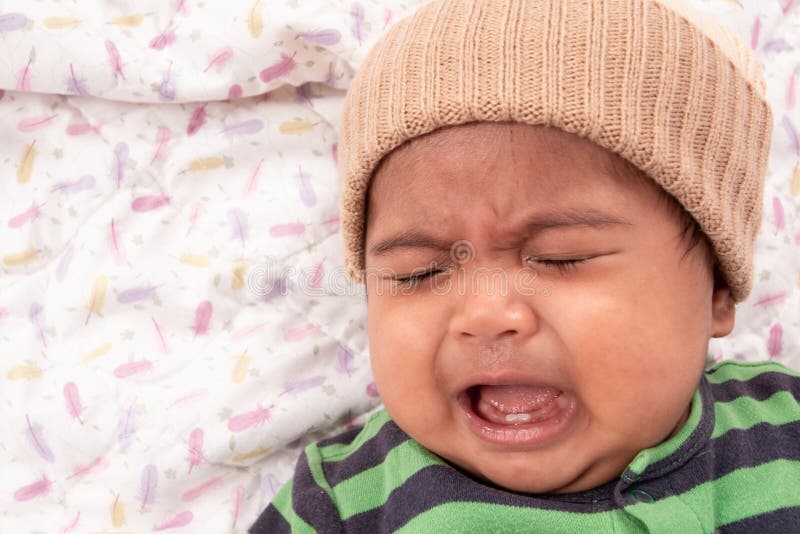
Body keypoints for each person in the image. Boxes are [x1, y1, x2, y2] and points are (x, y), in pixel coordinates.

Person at [251, 0, 800, 531]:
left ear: (717, 293)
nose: (487, 313)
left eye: (561, 258)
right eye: (418, 272)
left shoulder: (786, 430)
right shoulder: (340, 504)